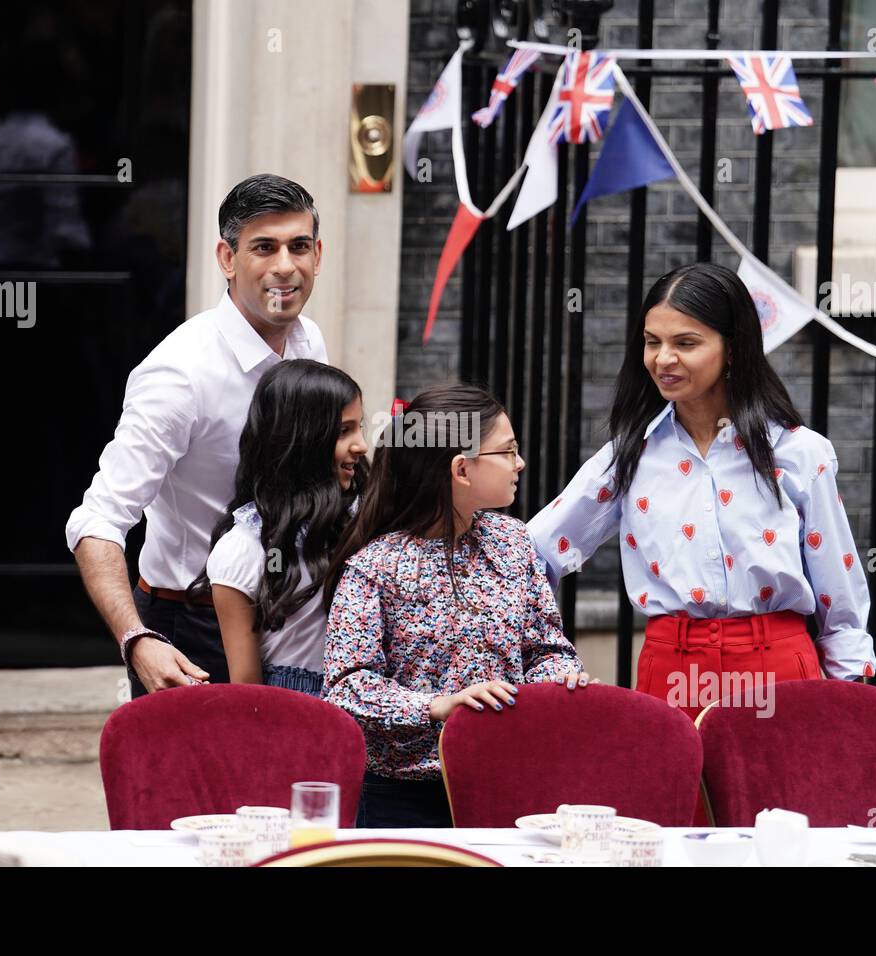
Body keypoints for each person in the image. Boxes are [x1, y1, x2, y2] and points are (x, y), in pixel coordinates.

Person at [529, 261, 876, 722]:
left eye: (685, 343)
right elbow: (533, 552)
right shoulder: (629, 455)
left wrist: (850, 691)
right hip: (670, 671)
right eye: (653, 342)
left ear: (732, 349)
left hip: (779, 673)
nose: (663, 359)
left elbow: (840, 588)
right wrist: (547, 659)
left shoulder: (797, 452)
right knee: (678, 796)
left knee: (778, 796)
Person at [66, 174, 326, 698]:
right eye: (263, 248)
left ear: (317, 254)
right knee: (195, 781)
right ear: (227, 259)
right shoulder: (178, 375)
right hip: (193, 624)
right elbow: (96, 521)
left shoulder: (308, 339)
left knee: (286, 778)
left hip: (292, 618)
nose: (285, 266)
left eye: (298, 246)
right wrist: (137, 639)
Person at [323, 385, 595, 829]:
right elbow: (347, 689)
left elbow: (544, 649)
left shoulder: (514, 542)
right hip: (403, 797)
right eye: (507, 451)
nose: (519, 463)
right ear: (461, 469)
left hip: (507, 782)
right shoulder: (375, 566)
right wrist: (437, 705)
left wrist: (562, 680)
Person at [190, 360, 368, 697]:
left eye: (360, 427)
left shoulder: (364, 518)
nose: (361, 445)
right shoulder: (243, 549)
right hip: (294, 715)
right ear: (303, 440)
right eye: (345, 431)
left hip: (372, 710)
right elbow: (248, 688)